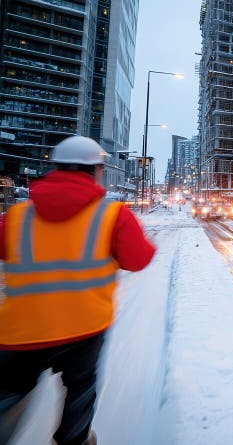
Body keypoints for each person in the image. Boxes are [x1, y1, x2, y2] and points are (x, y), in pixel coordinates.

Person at [0, 136, 156, 445]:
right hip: (84, 328)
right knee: (80, 390)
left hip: (21, 331)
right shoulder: (111, 215)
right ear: (97, 171)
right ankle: (75, 439)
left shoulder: (16, 217)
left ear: (54, 168)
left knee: (8, 393)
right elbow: (140, 259)